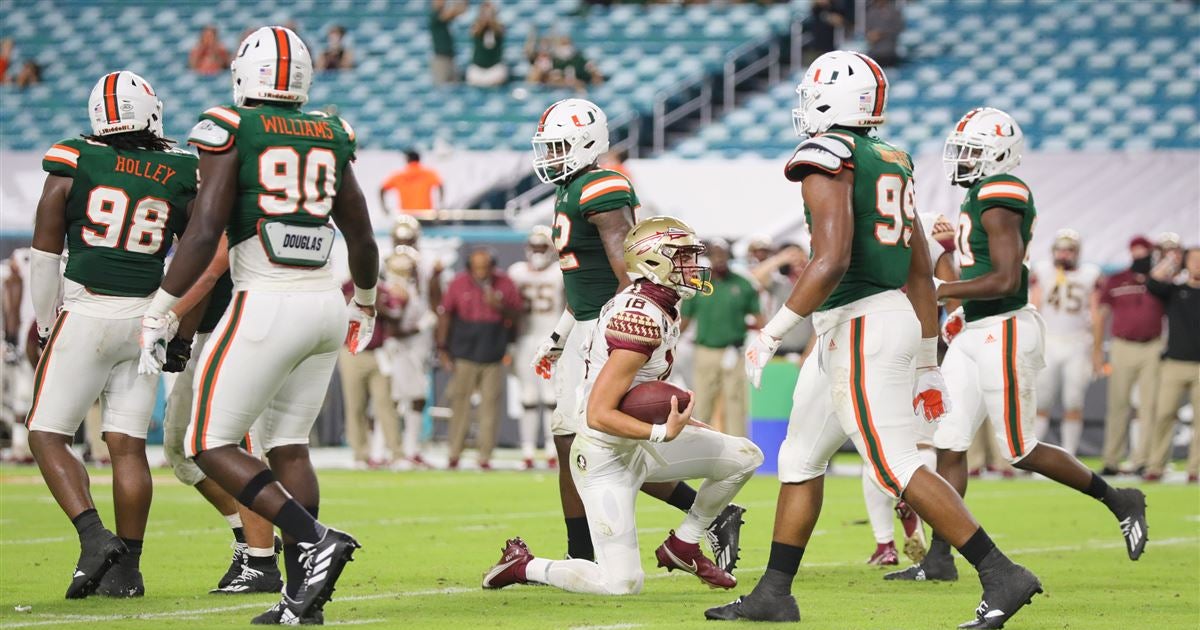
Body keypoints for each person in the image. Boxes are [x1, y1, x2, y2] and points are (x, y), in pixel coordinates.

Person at [707, 53, 1041, 628]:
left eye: (812, 93)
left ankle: (1001, 573)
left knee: (895, 465)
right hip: (874, 319)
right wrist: (927, 359)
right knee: (800, 457)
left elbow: (832, 258)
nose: (805, 105)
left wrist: (774, 329)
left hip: (859, 322)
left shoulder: (827, 155)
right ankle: (774, 593)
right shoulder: (891, 158)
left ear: (834, 100)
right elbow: (919, 269)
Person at [139, 26, 375, 624]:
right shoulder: (331, 131)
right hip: (326, 301)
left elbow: (204, 230)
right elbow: (361, 231)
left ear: (245, 73)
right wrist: (367, 301)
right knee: (287, 445)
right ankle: (301, 599)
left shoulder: (230, 126)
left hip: (265, 299)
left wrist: (161, 307)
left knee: (203, 443)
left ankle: (316, 539)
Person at [887, 107, 1148, 588]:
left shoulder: (1000, 192)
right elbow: (981, 270)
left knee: (1018, 449)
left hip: (1003, 330)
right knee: (950, 441)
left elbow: (1007, 280)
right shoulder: (978, 194)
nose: (962, 160)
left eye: (972, 151)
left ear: (999, 154)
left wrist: (941, 291)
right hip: (976, 330)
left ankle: (1120, 500)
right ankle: (940, 558)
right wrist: (955, 286)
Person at [483, 216, 763, 594]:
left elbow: (642, 392)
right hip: (604, 456)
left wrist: (683, 423)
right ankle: (523, 565)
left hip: (639, 444)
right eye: (683, 257)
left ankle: (684, 544)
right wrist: (660, 432)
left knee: (744, 456)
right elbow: (599, 414)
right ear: (653, 260)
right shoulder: (639, 317)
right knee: (622, 584)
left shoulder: (662, 302)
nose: (694, 265)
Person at [526, 97, 744, 572]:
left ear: (587, 143)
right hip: (585, 328)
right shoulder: (571, 189)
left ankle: (585, 553)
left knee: (588, 446)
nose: (552, 157)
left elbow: (628, 269)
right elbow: (583, 283)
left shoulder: (599, 185)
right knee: (577, 445)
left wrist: (629, 332)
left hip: (605, 332)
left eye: (560, 146)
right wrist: (559, 335)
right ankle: (701, 516)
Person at [27, 71, 193, 598]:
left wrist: (45, 324)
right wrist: (180, 328)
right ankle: (128, 571)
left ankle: (94, 538)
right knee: (127, 446)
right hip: (147, 318)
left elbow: (44, 255)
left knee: (46, 433)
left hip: (87, 310)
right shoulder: (180, 168)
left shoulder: (75, 159)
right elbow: (196, 253)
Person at [161, 236, 282, 595]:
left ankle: (262, 562)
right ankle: (249, 537)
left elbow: (209, 268)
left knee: (245, 446)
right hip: (203, 336)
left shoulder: (232, 209)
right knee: (182, 447)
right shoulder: (190, 207)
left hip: (239, 331)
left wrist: (166, 316)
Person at [859, 212, 956, 567]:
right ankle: (909, 501)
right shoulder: (927, 223)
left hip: (868, 343)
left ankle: (884, 544)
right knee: (921, 445)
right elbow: (948, 293)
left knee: (872, 446)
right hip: (918, 342)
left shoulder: (857, 222)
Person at [437, 248, 523, 469]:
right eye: (477, 268)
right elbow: (446, 315)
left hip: (493, 351)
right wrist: (443, 348)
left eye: (485, 267)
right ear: (469, 268)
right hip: (464, 351)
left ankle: (485, 455)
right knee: (460, 403)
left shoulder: (505, 283)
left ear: (492, 267)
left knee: (490, 406)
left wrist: (499, 306)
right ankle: (454, 452)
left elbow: (517, 315)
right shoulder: (458, 283)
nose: (481, 272)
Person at [1096, 236, 1165, 475]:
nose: (1139, 256)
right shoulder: (1117, 279)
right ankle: (1111, 459)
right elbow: (1101, 314)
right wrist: (1097, 350)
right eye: (1136, 251)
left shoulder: (1159, 281)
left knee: (1149, 406)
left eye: (1144, 252)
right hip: (1122, 345)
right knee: (1118, 405)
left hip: (1152, 345)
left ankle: (1142, 459)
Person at [1030, 229, 1103, 456]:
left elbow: (1096, 313)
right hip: (1049, 341)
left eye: (1069, 250)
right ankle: (1033, 456)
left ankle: (1069, 455)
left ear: (1077, 252)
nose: (1064, 254)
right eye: (1060, 249)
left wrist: (1097, 351)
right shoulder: (1043, 270)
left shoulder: (1090, 274)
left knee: (1074, 401)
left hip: (1078, 343)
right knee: (1041, 401)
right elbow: (1034, 307)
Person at [680, 239, 763, 437]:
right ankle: (698, 445)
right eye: (715, 255)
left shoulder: (743, 283)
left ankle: (739, 448)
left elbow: (760, 319)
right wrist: (668, 343)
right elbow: (685, 320)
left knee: (735, 403)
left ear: (729, 256)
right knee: (702, 403)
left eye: (723, 254)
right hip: (705, 351)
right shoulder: (699, 283)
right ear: (708, 257)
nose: (719, 259)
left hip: (734, 352)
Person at [507, 226, 564, 469]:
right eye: (535, 247)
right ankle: (528, 450)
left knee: (552, 396)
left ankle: (552, 450)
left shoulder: (559, 272)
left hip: (552, 337)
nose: (538, 252)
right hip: (525, 337)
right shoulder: (516, 272)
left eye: (542, 247)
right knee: (528, 396)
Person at [1142, 247, 1200, 482]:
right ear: (1185, 262)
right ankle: (1156, 465)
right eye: (1193, 259)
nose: (1197, 264)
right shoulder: (1176, 290)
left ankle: (1195, 469)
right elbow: (1152, 282)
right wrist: (1170, 261)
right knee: (1164, 414)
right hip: (1174, 363)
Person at [379, 245, 435, 468]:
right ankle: (390, 450)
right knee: (396, 400)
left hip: (411, 350)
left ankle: (407, 449)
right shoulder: (394, 290)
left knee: (413, 398)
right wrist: (421, 327)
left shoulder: (410, 289)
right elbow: (393, 328)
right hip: (398, 350)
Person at [338, 274, 401, 469]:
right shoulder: (343, 288)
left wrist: (379, 308)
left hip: (378, 352)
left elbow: (396, 314)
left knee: (386, 404)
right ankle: (360, 454)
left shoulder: (381, 290)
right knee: (355, 405)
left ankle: (396, 453)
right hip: (352, 351)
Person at [379, 150, 444, 220]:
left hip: (406, 216)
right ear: (419, 159)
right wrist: (440, 205)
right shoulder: (428, 173)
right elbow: (440, 185)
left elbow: (382, 189)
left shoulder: (399, 176)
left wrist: (384, 208)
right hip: (426, 215)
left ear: (407, 160)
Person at [466, 1, 507, 87]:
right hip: (478, 69)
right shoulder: (475, 26)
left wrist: (491, 20)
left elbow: (500, 31)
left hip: (494, 68)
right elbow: (474, 31)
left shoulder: (500, 26)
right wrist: (483, 21)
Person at [430, 0, 467, 84]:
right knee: (441, 87)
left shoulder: (443, 16)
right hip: (441, 59)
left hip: (450, 57)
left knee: (455, 85)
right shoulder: (434, 14)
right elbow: (450, 14)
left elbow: (461, 11)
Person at [865, 0, 904, 66]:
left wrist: (881, 34)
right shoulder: (870, 12)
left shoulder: (894, 11)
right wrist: (870, 35)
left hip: (889, 52)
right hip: (874, 53)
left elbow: (899, 28)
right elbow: (867, 31)